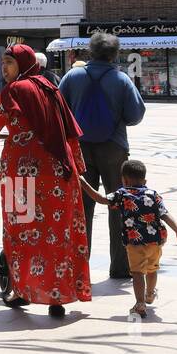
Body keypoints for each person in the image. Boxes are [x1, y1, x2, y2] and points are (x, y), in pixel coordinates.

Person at [0, 44, 91, 317]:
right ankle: (57, 297)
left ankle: (22, 291)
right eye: (3, 63)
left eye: (9, 62)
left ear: (23, 64)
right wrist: (77, 167)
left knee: (21, 232)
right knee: (58, 235)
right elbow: (68, 131)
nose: (4, 68)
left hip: (21, 174)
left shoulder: (15, 90)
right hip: (59, 174)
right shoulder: (49, 88)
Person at [57, 31, 148, 280]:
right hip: (114, 148)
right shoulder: (121, 79)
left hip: (79, 150)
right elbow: (136, 115)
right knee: (118, 204)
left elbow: (57, 110)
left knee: (81, 206)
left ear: (91, 51)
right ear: (114, 54)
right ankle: (119, 266)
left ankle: (78, 265)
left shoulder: (72, 76)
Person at [78, 159, 177, 318]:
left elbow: (100, 199)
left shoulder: (122, 194)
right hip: (155, 241)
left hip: (135, 242)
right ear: (144, 180)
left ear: (124, 179)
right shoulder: (153, 194)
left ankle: (140, 304)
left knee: (137, 273)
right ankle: (149, 294)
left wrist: (83, 182)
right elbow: (164, 214)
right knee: (152, 269)